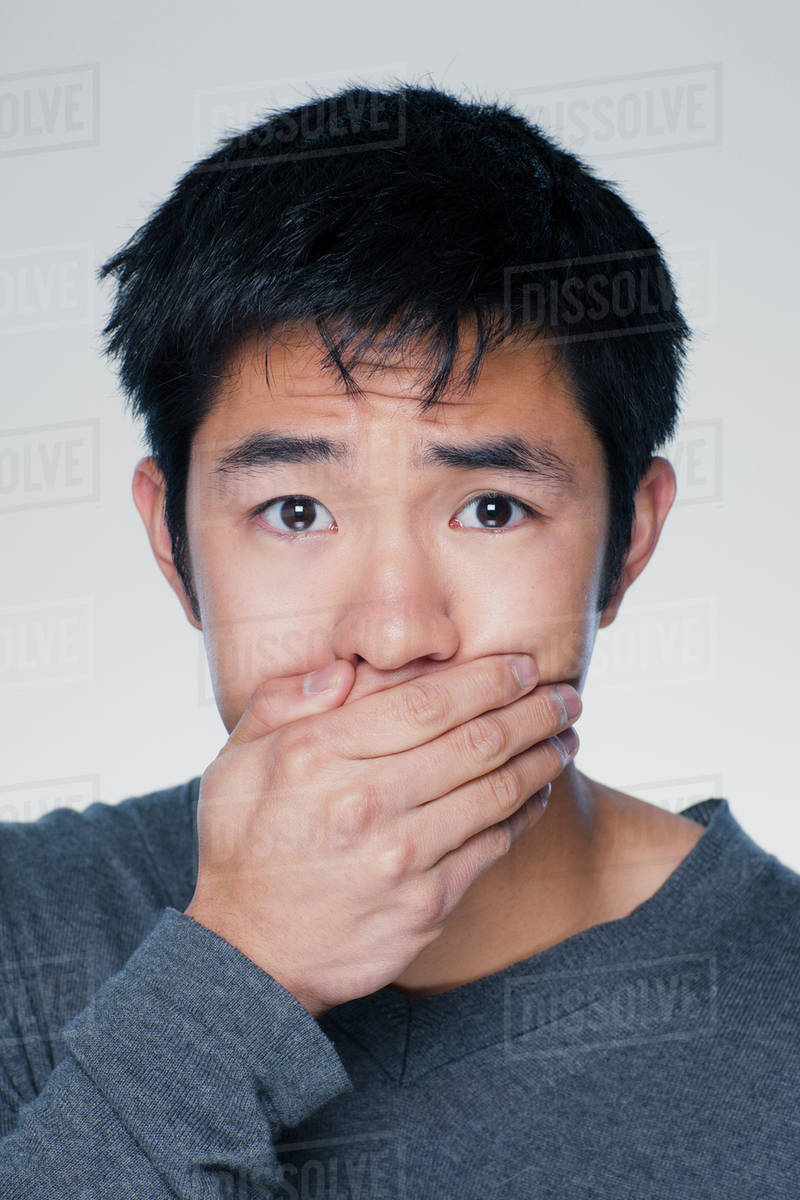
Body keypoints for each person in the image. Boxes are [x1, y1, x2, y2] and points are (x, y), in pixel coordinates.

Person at [1, 82, 798, 1198]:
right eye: (294, 512)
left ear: (628, 540)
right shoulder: (23, 935)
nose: (391, 632)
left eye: (490, 510)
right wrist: (235, 975)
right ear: (172, 545)